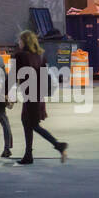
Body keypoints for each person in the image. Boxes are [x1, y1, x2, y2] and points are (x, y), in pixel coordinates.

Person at [14, 30, 68, 165]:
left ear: (24, 41)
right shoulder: (40, 55)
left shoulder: (20, 55)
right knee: (27, 121)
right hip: (38, 95)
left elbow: (13, 75)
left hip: (30, 95)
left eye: (20, 40)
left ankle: (58, 145)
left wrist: (5, 92)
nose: (18, 42)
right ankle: (28, 155)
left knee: (33, 124)